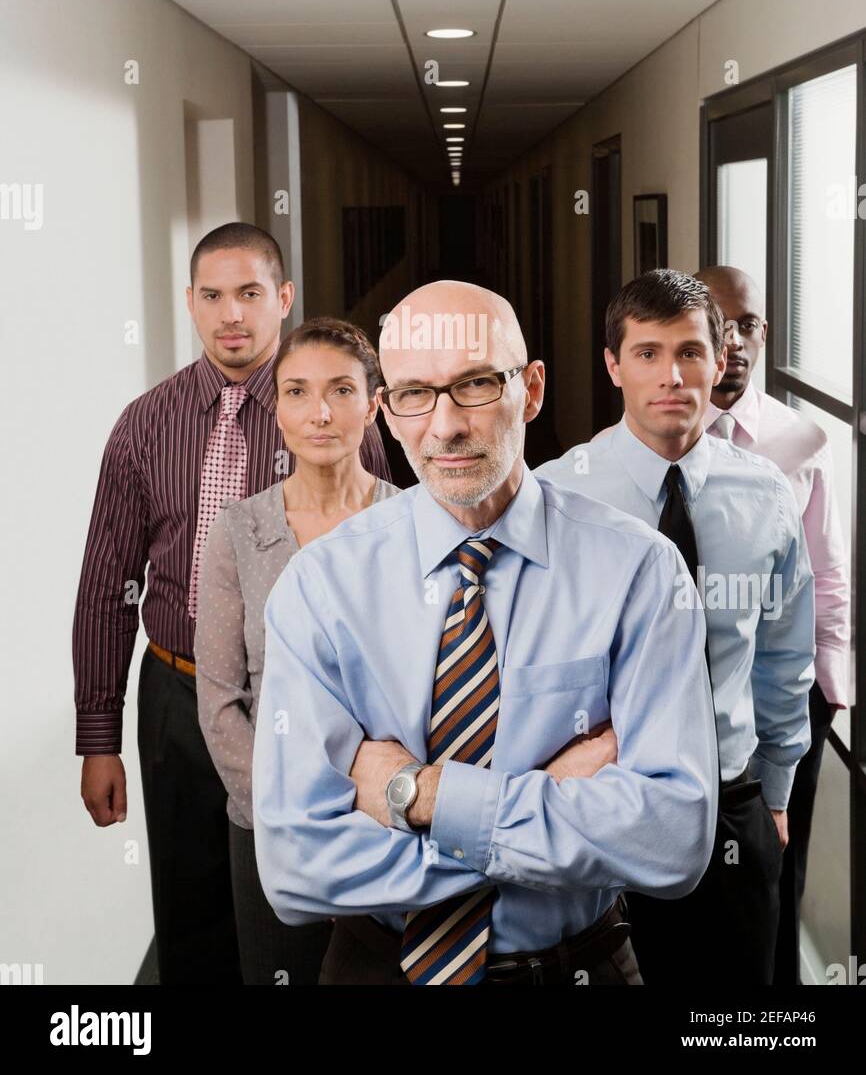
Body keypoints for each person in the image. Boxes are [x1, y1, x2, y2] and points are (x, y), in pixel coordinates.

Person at [252, 279, 718, 986]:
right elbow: (295, 865)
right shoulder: (321, 588)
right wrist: (535, 810)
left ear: (531, 391)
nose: (444, 427)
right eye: (413, 394)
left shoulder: (640, 574)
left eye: (473, 385)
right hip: (379, 968)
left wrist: (422, 796)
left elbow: (673, 839)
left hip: (574, 967)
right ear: (385, 412)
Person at [72, 222, 391, 985]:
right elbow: (107, 586)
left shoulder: (329, 412)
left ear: (282, 298)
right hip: (180, 698)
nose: (232, 315)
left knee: (301, 921)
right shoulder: (144, 425)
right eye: (212, 296)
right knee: (192, 917)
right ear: (189, 302)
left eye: (250, 293)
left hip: (305, 703)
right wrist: (98, 735)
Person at [536, 269, 815, 986]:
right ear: (613, 366)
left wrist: (776, 795)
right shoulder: (558, 494)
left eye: (691, 352)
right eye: (648, 352)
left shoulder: (766, 497)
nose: (672, 375)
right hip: (602, 808)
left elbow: (784, 660)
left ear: (720, 363)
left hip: (733, 806)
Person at [194, 318, 402, 984]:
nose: (319, 413)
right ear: (276, 407)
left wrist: (386, 801)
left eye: (341, 391)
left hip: (393, 824)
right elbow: (221, 700)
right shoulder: (238, 530)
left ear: (373, 405)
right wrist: (292, 809)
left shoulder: (417, 526)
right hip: (271, 825)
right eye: (297, 392)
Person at [696, 264, 850, 985]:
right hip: (693, 700)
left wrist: (832, 687)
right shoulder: (664, 435)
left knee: (777, 861)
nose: (736, 342)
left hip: (790, 699)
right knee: (691, 871)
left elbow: (829, 573)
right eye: (719, 325)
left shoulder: (800, 441)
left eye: (750, 324)